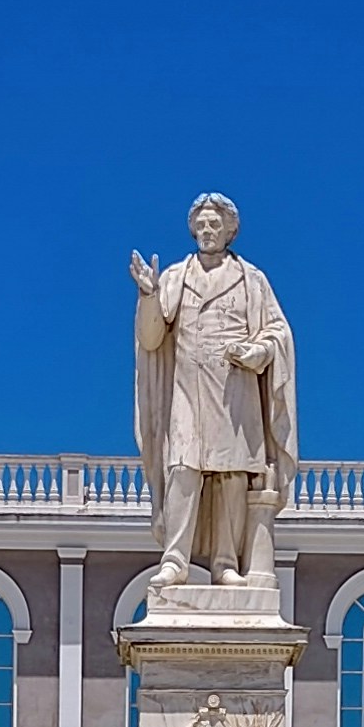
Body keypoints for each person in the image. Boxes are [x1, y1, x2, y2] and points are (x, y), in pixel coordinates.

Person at [130, 193, 298, 592]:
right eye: (202, 225)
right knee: (182, 470)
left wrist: (258, 351)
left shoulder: (251, 280)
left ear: (230, 230)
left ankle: (226, 563)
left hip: (235, 390)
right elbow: (152, 339)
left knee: (232, 476)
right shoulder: (173, 277)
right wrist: (149, 296)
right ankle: (175, 559)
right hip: (187, 390)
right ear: (193, 229)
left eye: (215, 225)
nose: (207, 231)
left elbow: (278, 331)